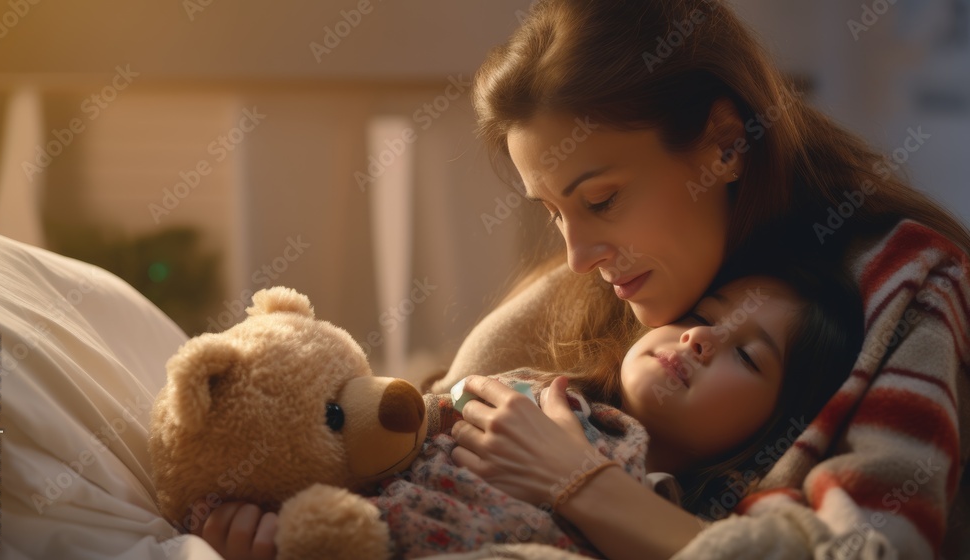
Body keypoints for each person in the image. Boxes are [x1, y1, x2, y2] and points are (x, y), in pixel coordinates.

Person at [193, 0, 970, 558]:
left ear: (726, 145)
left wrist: (583, 484)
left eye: (601, 200)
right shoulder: (589, 301)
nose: (578, 256)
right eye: (555, 213)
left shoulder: (906, 292)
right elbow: (404, 453)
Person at [368, 261, 864, 557]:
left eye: (747, 355)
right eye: (702, 313)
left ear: (780, 428)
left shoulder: (706, 520)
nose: (698, 337)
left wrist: (576, 479)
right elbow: (379, 430)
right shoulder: (533, 393)